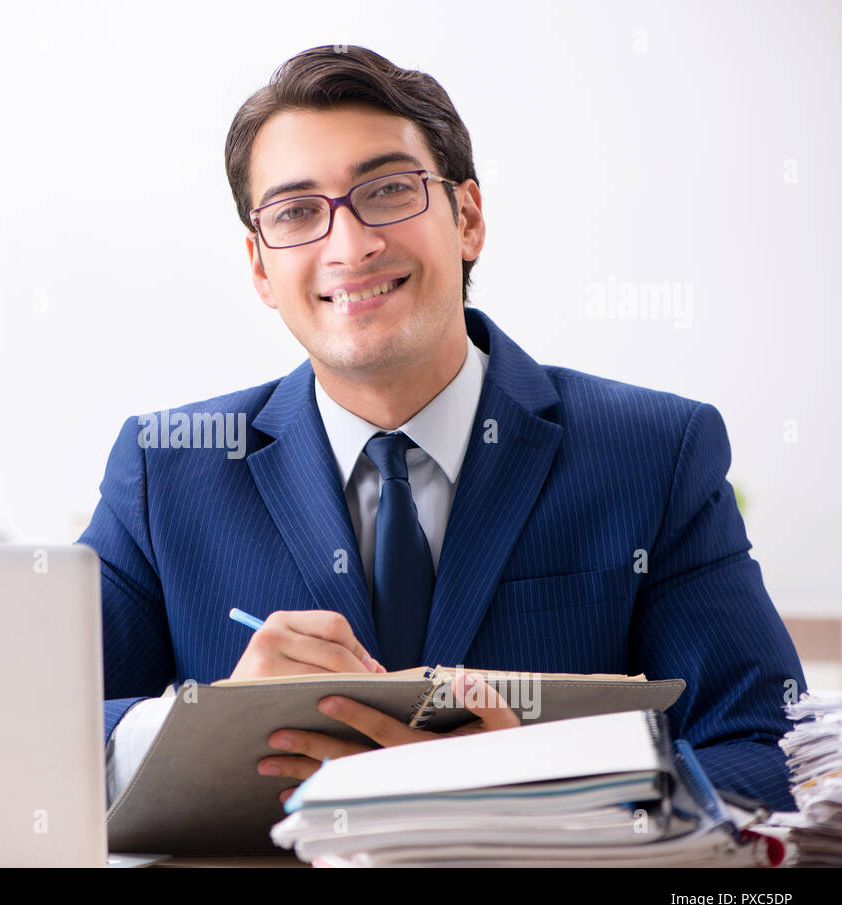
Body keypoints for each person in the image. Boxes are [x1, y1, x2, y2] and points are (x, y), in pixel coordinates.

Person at [77, 44, 806, 812]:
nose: (349, 247)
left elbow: (770, 753)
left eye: (388, 191)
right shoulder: (166, 473)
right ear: (260, 267)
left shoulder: (655, 453)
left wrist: (555, 786)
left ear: (467, 218)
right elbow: (29, 734)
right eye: (296, 212)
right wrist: (206, 721)